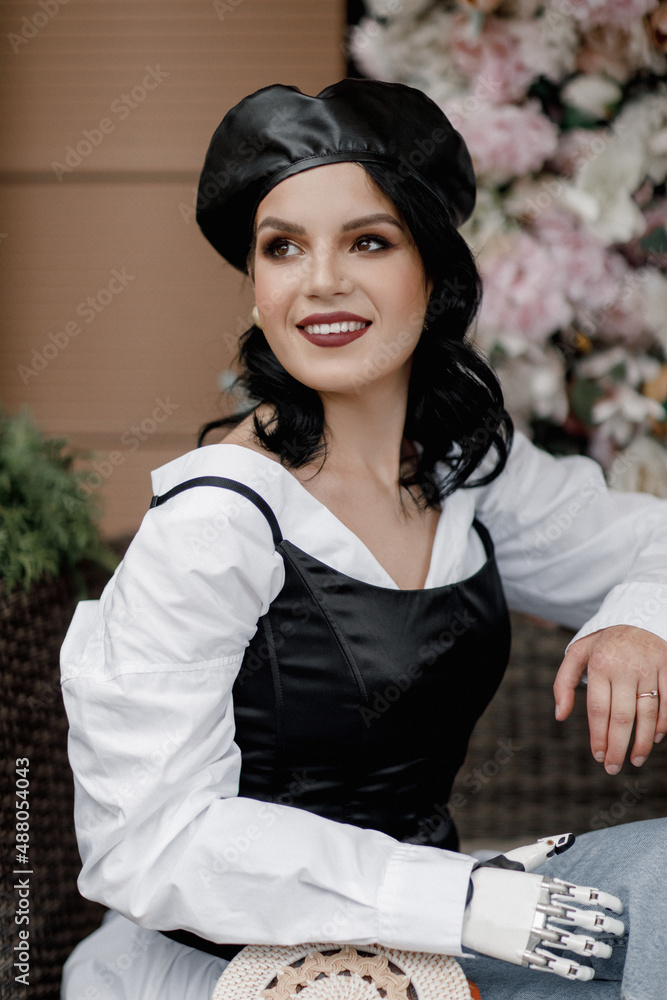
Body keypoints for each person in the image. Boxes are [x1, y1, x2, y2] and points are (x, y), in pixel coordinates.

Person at [60, 80, 667, 1000]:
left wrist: (638, 618)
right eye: (283, 248)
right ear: (256, 286)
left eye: (368, 242)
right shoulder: (216, 519)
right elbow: (146, 842)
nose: (321, 282)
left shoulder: (468, 469)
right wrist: (451, 898)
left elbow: (648, 545)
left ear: (433, 269)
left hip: (441, 935)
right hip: (220, 966)